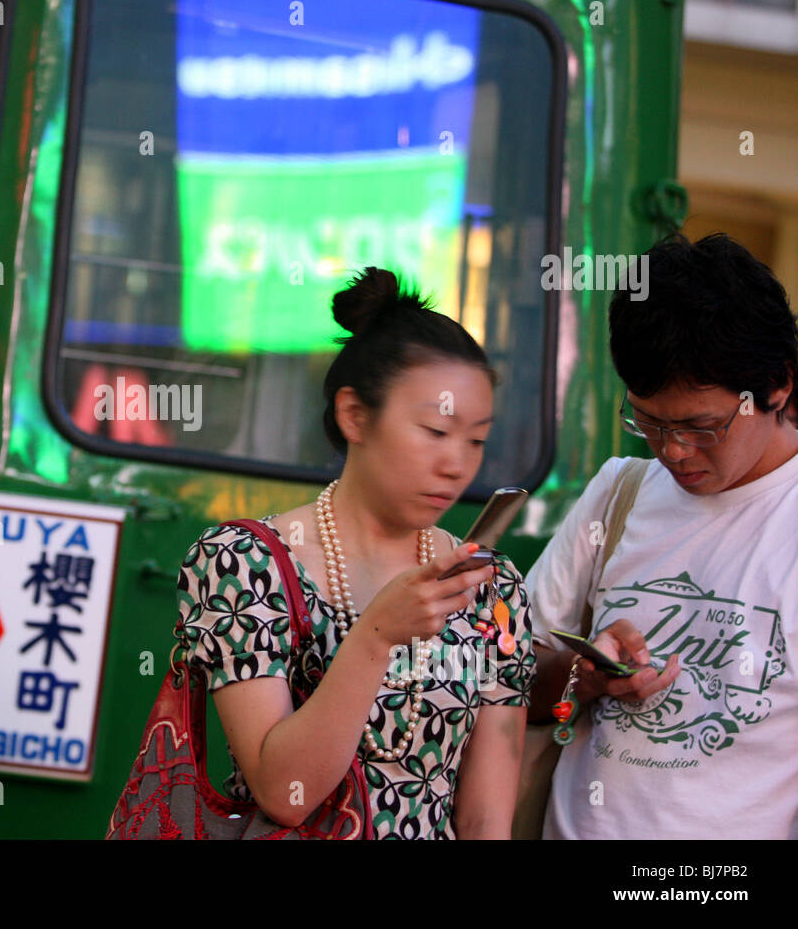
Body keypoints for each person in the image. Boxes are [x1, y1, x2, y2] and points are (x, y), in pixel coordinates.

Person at [176, 267, 535, 839]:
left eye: (476, 440)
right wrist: (374, 636)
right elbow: (284, 791)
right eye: (435, 431)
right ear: (354, 415)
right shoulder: (245, 563)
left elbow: (485, 818)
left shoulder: (492, 589)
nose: (456, 464)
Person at [524, 232, 798, 839]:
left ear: (777, 386)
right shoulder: (620, 492)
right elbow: (514, 681)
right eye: (647, 420)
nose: (672, 450)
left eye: (703, 426)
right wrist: (584, 674)